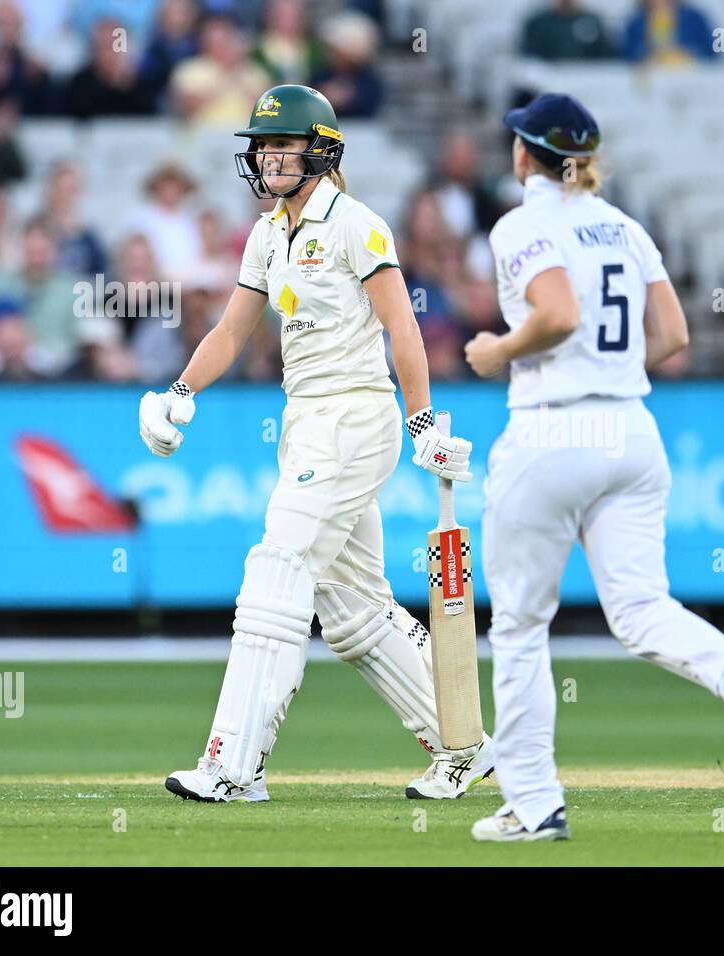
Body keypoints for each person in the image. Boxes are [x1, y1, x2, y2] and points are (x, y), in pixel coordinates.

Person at [462, 93, 724, 842]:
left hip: (552, 430)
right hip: (631, 429)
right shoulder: (623, 224)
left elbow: (555, 316)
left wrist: (495, 352)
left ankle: (535, 804)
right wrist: (608, 372)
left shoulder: (522, 223)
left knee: (520, 626)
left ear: (525, 154)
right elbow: (674, 333)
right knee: (642, 608)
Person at [141, 85, 495, 803]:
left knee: (277, 570)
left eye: (282, 144)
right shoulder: (268, 233)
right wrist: (179, 392)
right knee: (351, 607)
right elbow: (232, 331)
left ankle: (235, 767)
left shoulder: (355, 224)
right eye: (262, 146)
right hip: (306, 423)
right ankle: (463, 745)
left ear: (321, 150)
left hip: (356, 420)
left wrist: (422, 420)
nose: (269, 156)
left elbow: (403, 327)